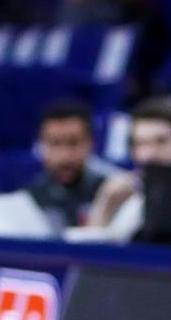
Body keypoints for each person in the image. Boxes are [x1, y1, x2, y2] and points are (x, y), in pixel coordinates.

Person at [86, 95, 171, 242]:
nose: (148, 155)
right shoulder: (127, 196)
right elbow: (91, 255)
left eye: (161, 141)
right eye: (140, 144)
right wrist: (106, 204)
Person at [24, 98, 115, 233]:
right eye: (55, 143)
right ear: (40, 146)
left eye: (73, 143)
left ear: (91, 143)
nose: (64, 156)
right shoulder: (29, 197)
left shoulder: (112, 191)